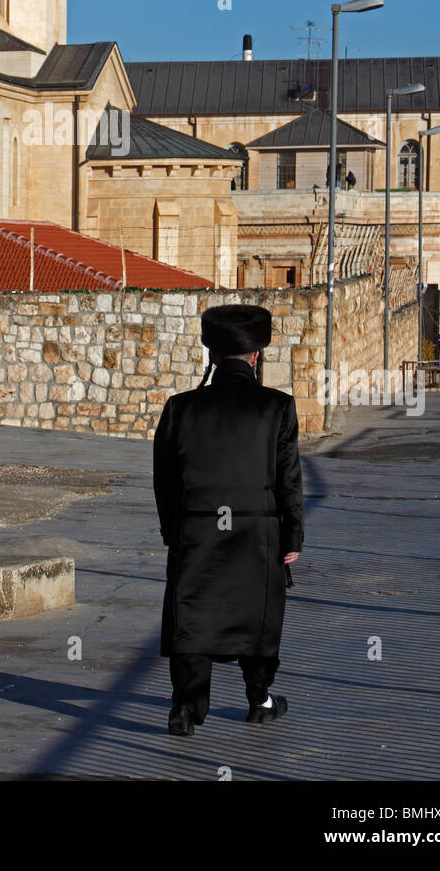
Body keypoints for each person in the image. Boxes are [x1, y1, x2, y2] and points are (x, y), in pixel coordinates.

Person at [153, 304, 304, 733]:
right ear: (256, 355)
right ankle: (259, 699)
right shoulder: (278, 407)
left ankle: (185, 708)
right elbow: (288, 478)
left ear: (212, 355)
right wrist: (292, 534)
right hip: (258, 532)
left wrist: (174, 531)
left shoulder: (180, 408)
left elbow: (163, 478)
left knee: (193, 617)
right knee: (256, 618)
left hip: (198, 528)